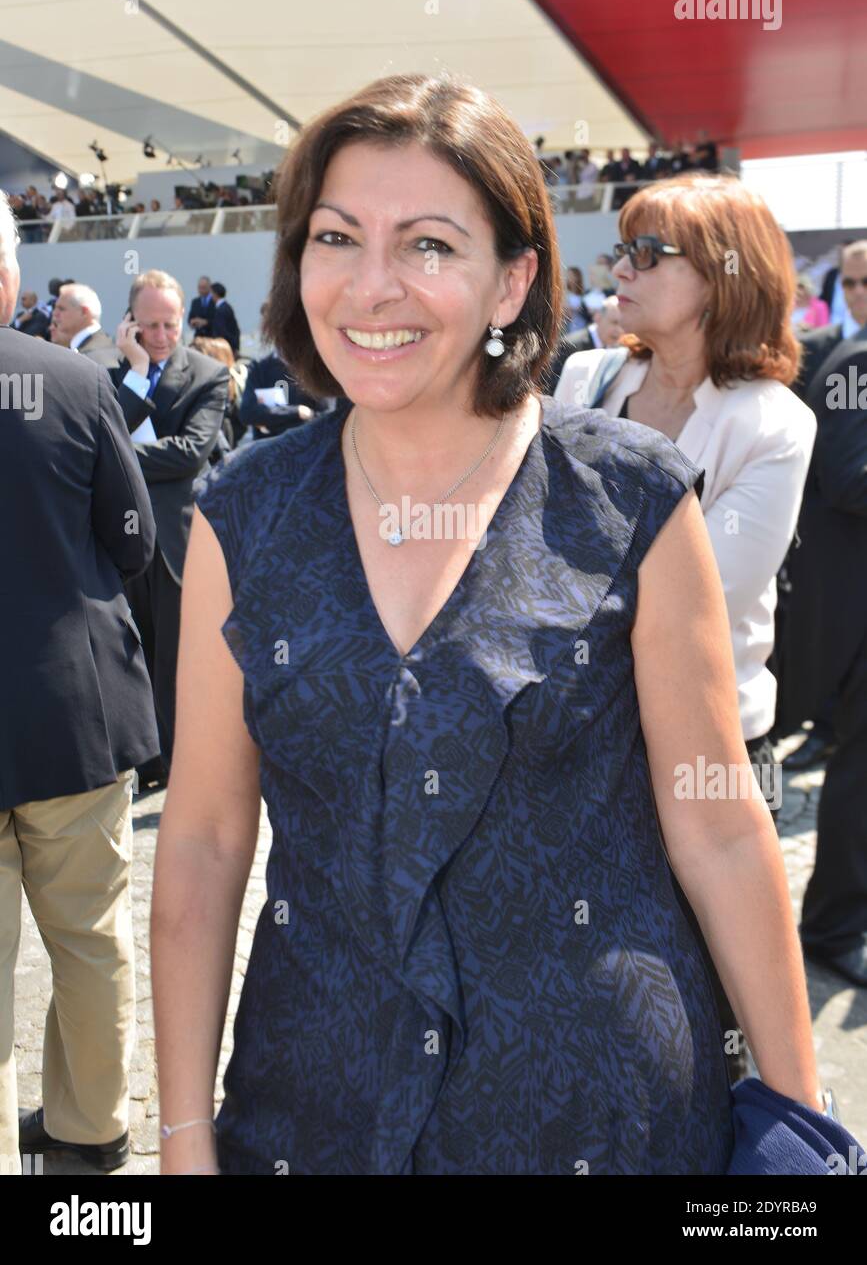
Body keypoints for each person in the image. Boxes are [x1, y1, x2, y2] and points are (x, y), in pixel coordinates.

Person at [151, 73, 825, 1178]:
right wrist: (183, 1143)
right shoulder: (246, 514)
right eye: (336, 237)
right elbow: (207, 839)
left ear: (514, 279)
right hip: (319, 1114)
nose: (373, 288)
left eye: (427, 245)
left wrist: (803, 1135)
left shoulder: (630, 498)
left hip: (601, 1121)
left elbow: (718, 825)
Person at [554, 171, 817, 1079]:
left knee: (709, 1001)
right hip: (585, 730)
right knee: (593, 991)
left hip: (711, 746)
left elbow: (709, 594)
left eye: (647, 253)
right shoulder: (588, 375)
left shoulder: (770, 423)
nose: (619, 268)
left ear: (723, 277)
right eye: (622, 249)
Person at [0, 192, 159, 1175]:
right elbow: (134, 539)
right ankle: (90, 1129)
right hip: (71, 713)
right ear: (9, 278)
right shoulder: (70, 378)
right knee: (91, 937)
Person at [775, 242, 867, 987]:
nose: (862, 293)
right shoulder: (851, 369)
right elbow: (845, 479)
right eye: (855, 281)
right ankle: (832, 926)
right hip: (841, 617)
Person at [111, 270, 229, 786]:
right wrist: (136, 374)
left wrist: (115, 452)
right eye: (149, 326)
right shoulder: (104, 372)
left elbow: (190, 454)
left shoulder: (207, 373)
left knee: (180, 662)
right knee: (127, 657)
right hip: (116, 539)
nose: (160, 336)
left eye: (170, 324)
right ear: (130, 323)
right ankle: (145, 759)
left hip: (180, 543)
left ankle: (184, 765)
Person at [49, 282, 120, 367]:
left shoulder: (95, 356)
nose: (54, 313)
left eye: (61, 309)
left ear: (84, 312)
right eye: (55, 308)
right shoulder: (100, 348)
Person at [209, 281, 241, 355]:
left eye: (211, 293)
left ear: (215, 294)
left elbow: (221, 330)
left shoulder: (222, 309)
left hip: (225, 347)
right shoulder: (225, 307)